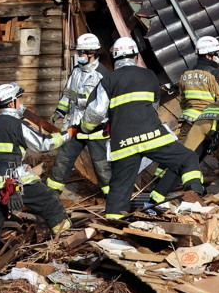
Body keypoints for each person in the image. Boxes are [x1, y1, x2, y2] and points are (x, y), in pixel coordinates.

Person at [81, 37, 204, 219]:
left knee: (120, 189)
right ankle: (194, 200)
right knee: (188, 158)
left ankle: (113, 228)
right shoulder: (149, 76)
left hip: (123, 143)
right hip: (153, 136)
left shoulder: (108, 80)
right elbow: (153, 106)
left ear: (115, 58)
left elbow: (96, 112)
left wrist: (85, 128)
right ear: (136, 56)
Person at [0, 83, 72, 241]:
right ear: (11, 103)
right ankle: (65, 238)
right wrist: (68, 134)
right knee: (49, 199)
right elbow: (44, 144)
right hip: (12, 183)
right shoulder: (17, 125)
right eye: (20, 100)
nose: (22, 104)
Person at [150, 36, 219, 202]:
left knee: (177, 154)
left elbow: (183, 102)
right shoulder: (214, 74)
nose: (218, 57)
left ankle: (156, 183)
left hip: (187, 122)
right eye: (216, 54)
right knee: (187, 159)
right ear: (208, 55)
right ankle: (157, 198)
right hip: (205, 124)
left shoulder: (185, 75)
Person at [47, 33, 112, 195]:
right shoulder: (76, 71)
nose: (79, 56)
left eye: (82, 53)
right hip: (75, 125)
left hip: (95, 129)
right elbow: (68, 94)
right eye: (79, 53)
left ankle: (112, 196)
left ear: (92, 54)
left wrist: (80, 99)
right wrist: (59, 111)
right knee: (63, 159)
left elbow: (101, 104)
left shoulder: (102, 75)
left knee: (102, 165)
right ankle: (52, 194)